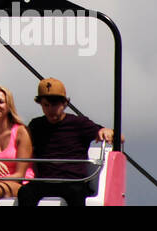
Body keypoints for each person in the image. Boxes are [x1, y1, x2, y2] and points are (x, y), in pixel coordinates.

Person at [16, 78, 114, 207]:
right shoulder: (36, 125)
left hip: (73, 181)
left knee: (76, 193)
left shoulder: (79, 123)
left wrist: (108, 132)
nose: (51, 109)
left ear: (65, 103)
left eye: (55, 104)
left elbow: (117, 136)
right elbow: (17, 141)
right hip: (45, 182)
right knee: (25, 192)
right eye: (46, 105)